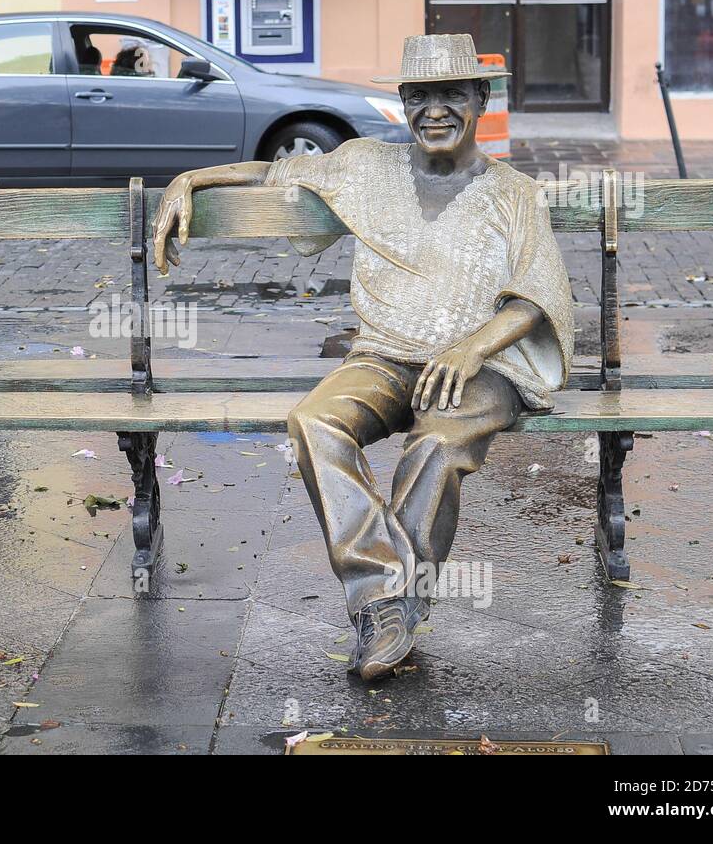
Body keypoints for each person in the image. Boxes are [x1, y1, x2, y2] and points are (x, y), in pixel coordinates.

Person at [152, 33, 574, 681]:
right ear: (403, 102)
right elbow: (273, 172)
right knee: (314, 421)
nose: (436, 110)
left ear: (480, 100)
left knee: (436, 444)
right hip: (384, 354)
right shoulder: (364, 165)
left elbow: (537, 298)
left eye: (452, 95)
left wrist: (471, 347)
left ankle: (393, 611)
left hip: (480, 368)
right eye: (421, 96)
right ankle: (384, 599)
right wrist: (188, 179)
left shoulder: (513, 192)